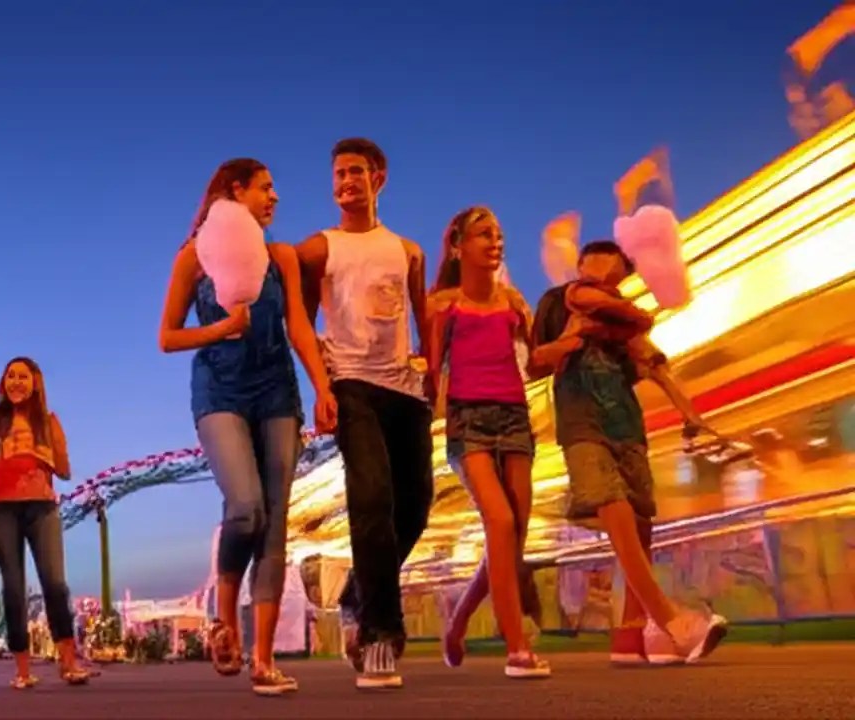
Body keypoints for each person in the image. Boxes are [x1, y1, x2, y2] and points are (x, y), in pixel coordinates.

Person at [159, 157, 337, 696]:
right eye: (265, 187)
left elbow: (299, 325)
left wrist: (322, 386)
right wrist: (222, 329)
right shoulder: (193, 258)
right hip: (219, 391)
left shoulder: (281, 257)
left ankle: (263, 660)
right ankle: (225, 619)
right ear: (236, 192)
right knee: (245, 507)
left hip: (276, 389)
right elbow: (167, 336)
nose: (275, 197)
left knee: (275, 520)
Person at [529, 240, 728, 666]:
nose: (609, 276)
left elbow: (656, 366)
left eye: (618, 273)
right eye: (604, 264)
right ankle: (673, 622)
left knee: (640, 524)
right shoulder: (560, 301)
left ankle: (633, 636)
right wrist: (571, 339)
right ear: (583, 263)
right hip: (583, 422)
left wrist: (691, 415)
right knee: (611, 502)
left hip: (627, 426)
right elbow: (537, 361)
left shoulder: (621, 327)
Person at [296, 138, 433, 690]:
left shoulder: (408, 250)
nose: (346, 181)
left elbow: (424, 319)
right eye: (339, 173)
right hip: (351, 385)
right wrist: (320, 385)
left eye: (356, 171)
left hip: (405, 389)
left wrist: (434, 375)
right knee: (371, 498)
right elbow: (301, 320)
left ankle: (358, 590)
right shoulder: (319, 248)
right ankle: (380, 634)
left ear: (379, 179)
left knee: (415, 508)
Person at [426, 206, 550, 678]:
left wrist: (574, 340)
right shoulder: (443, 305)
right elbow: (430, 373)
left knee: (512, 539)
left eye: (497, 234)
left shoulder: (514, 301)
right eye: (482, 235)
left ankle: (457, 623)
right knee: (499, 521)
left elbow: (535, 363)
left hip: (515, 418)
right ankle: (516, 647)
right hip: (468, 421)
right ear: (458, 247)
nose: (494, 242)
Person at [0, 357, 91, 689]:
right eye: (10, 376)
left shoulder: (49, 421)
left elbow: (65, 470)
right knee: (14, 586)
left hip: (42, 505)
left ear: (35, 383)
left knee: (55, 583)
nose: (16, 382)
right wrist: (0, 465)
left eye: (23, 377)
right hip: (2, 507)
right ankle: (22, 669)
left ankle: (68, 661)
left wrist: (43, 456)